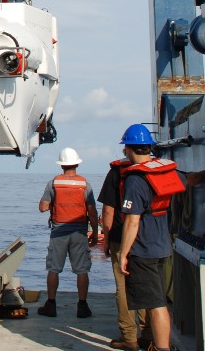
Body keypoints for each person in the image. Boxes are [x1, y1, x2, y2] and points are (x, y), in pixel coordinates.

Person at [117, 124, 205, 351]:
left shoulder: (135, 180)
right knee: (159, 302)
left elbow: (132, 221)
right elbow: (190, 180)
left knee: (156, 304)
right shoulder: (165, 172)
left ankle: (162, 348)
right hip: (163, 248)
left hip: (143, 251)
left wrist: (123, 254)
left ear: (128, 149)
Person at [99, 135, 149, 351]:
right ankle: (149, 334)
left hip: (122, 237)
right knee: (149, 288)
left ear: (127, 148)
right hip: (150, 240)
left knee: (123, 287)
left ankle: (129, 338)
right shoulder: (159, 170)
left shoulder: (117, 172)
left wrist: (106, 240)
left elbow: (108, 210)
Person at [37, 147, 99, 318]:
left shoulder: (53, 184)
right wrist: (94, 232)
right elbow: (92, 212)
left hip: (58, 232)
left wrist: (53, 202)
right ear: (77, 164)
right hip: (79, 232)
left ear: (61, 165)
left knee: (54, 269)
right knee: (81, 270)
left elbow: (42, 207)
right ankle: (82, 306)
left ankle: (51, 305)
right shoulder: (85, 185)